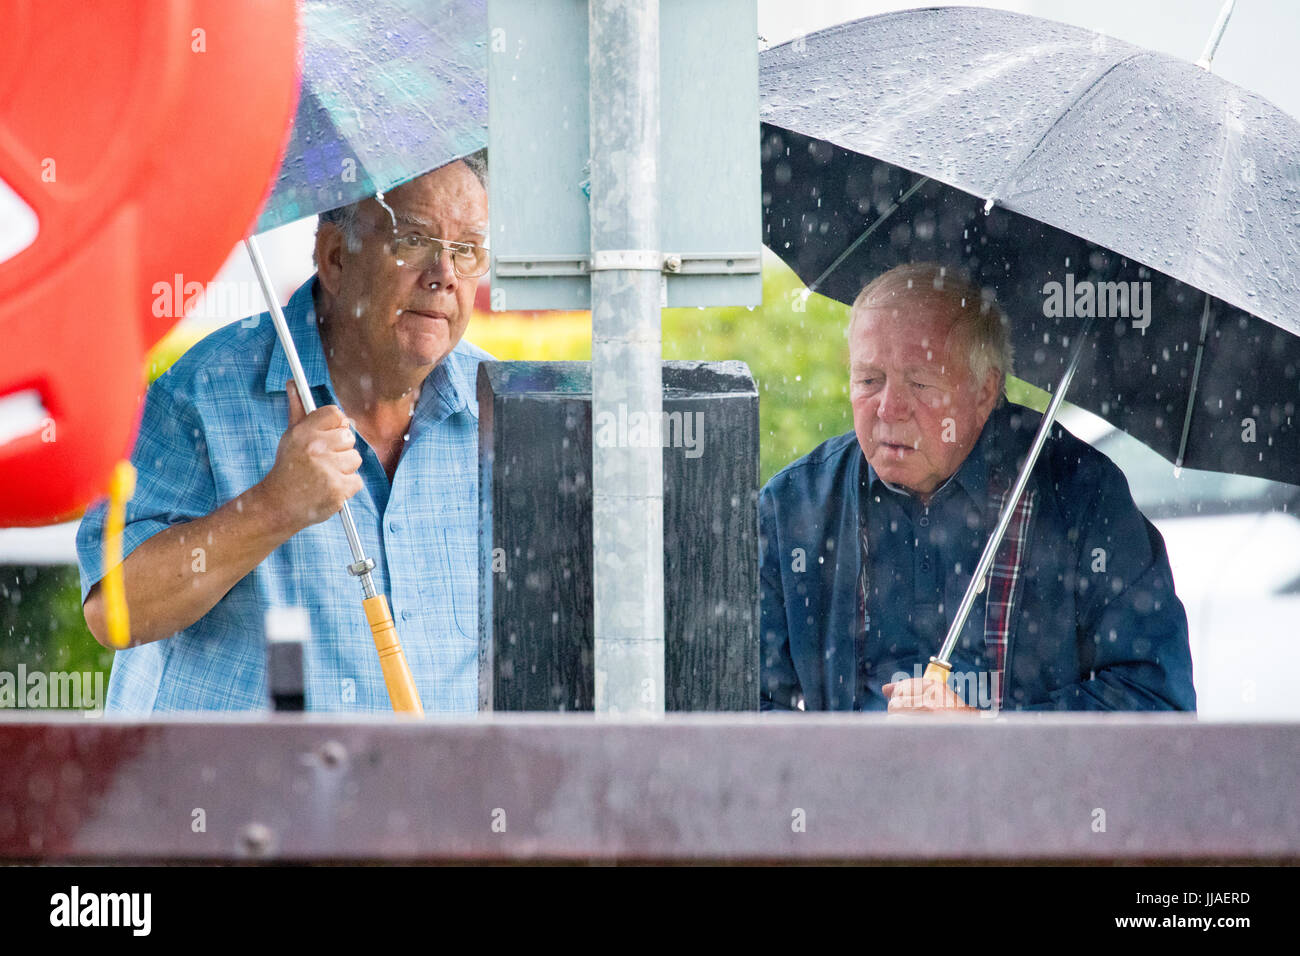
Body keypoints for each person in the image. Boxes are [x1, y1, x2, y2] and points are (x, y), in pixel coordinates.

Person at [76, 152, 491, 712]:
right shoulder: (201, 392)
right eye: (412, 240)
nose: (444, 273)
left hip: (424, 795)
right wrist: (276, 506)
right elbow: (114, 610)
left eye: (466, 250)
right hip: (230, 796)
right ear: (336, 258)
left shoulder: (497, 409)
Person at [759, 262, 1196, 713]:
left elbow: (1155, 703)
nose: (889, 409)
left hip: (1021, 785)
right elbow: (741, 707)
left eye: (920, 383)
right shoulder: (792, 508)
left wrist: (984, 734)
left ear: (985, 390)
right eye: (870, 380)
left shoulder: (1082, 494)